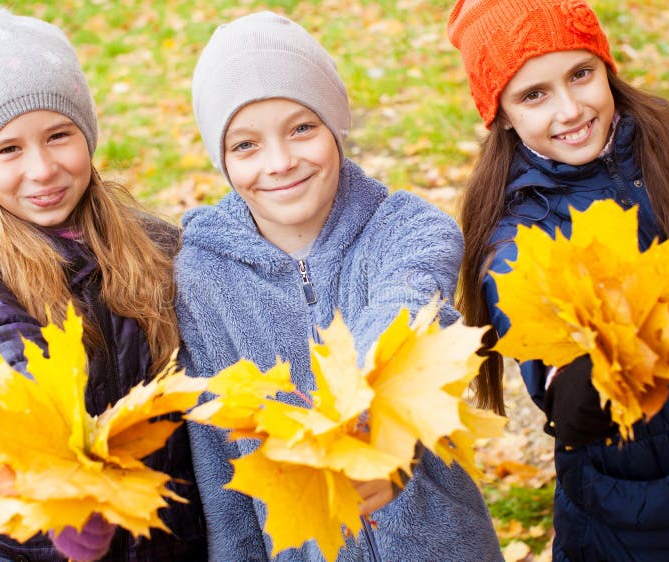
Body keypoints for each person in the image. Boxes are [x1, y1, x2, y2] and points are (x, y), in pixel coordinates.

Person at [176, 10, 503, 561]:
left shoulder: (409, 228)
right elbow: (220, 465)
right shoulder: (200, 278)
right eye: (246, 145)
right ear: (222, 158)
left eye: (302, 128)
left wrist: (375, 426)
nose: (280, 162)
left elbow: (410, 309)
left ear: (336, 127)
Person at [0, 5, 206, 561]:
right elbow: (4, 360)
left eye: (58, 135)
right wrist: (65, 488)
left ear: (87, 136)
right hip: (40, 542)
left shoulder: (153, 245)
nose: (42, 169)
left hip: (168, 541)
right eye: (9, 149)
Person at [448, 0, 669, 560]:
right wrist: (579, 379)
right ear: (501, 114)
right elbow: (551, 368)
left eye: (580, 74)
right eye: (533, 94)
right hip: (639, 511)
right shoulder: (518, 241)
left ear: (606, 67)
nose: (569, 109)